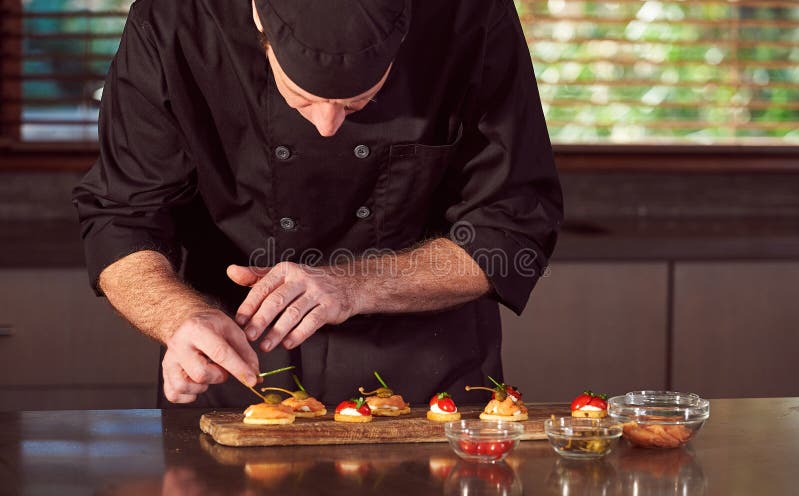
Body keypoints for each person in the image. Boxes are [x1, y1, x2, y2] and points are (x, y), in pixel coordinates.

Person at [72, 0, 563, 407]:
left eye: (356, 104)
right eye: (303, 99)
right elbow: (121, 218)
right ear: (259, 20)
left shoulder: (471, 16)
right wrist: (177, 317)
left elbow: (512, 231)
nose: (328, 126)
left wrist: (354, 285)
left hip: (429, 386)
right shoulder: (175, 20)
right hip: (235, 371)